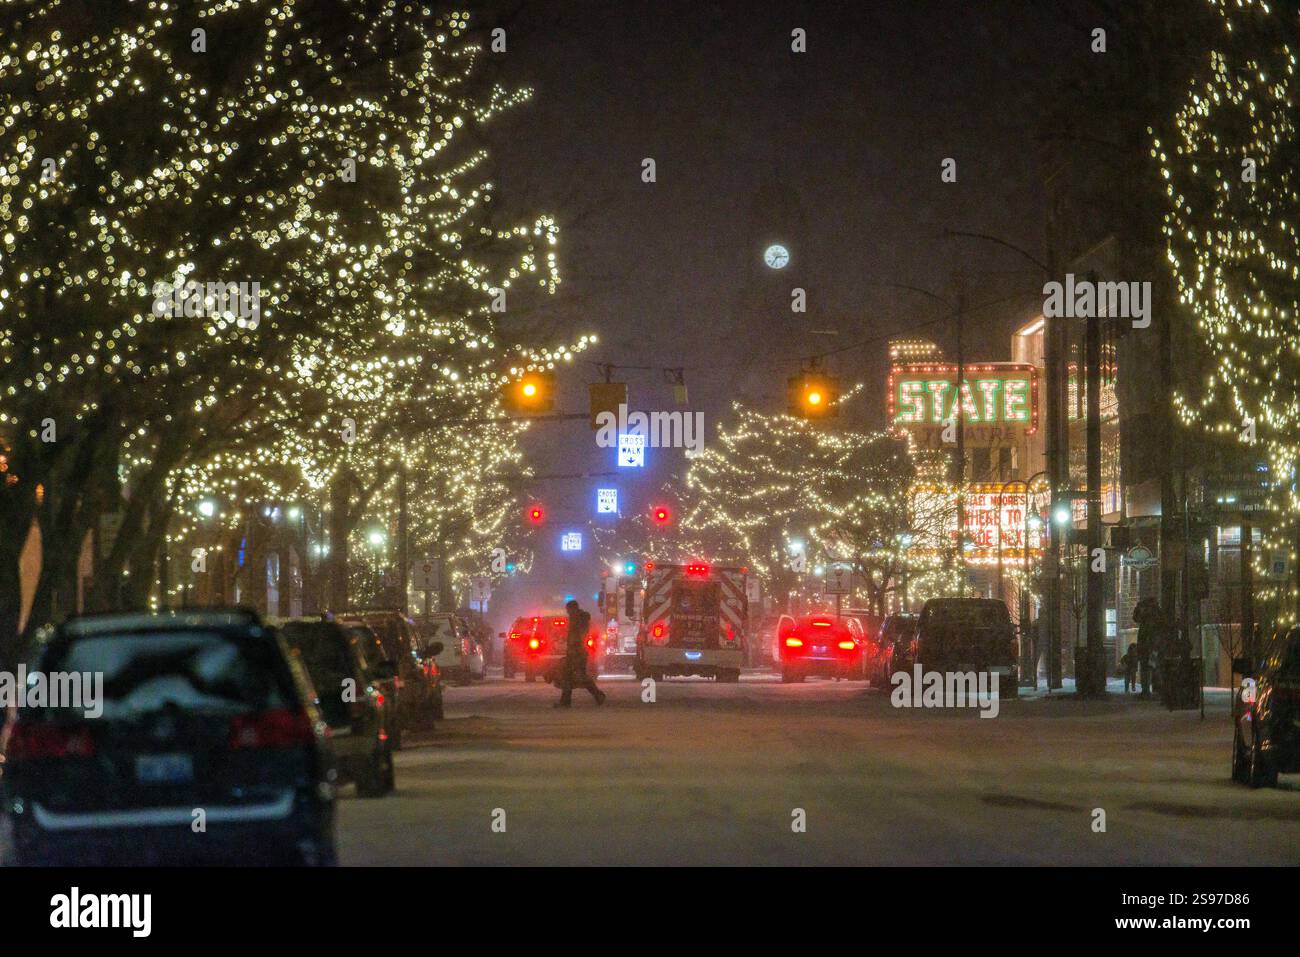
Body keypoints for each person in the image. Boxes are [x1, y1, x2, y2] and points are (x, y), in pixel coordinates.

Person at [555, 599, 606, 708]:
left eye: (568, 610)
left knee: (577, 676)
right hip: (576, 651)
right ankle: (566, 701)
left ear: (573, 609)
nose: (567, 612)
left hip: (577, 652)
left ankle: (597, 696)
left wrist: (574, 646)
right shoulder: (578, 618)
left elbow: (579, 635)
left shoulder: (578, 619)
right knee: (570, 676)